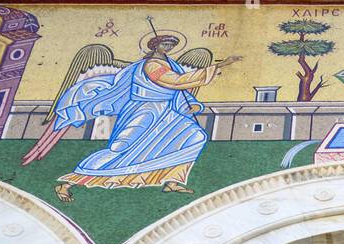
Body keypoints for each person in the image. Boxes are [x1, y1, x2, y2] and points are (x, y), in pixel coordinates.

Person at [22, 33, 241, 200]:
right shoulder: (151, 65)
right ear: (156, 46)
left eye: (171, 46)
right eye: (166, 45)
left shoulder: (169, 64)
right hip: (144, 110)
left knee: (194, 137)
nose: (169, 48)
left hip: (168, 112)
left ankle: (172, 179)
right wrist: (219, 66)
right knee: (122, 151)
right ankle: (70, 182)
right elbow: (174, 82)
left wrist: (190, 104)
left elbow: (178, 89)